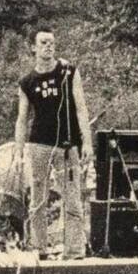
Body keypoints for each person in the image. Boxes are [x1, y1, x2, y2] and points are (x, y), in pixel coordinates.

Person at [12, 27, 93, 259]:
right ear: (34, 47)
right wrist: (18, 152)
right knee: (38, 197)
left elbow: (81, 109)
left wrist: (87, 142)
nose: (49, 46)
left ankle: (75, 251)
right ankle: (39, 248)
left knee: (72, 197)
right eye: (44, 42)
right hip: (39, 143)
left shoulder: (68, 72)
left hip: (67, 143)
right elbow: (21, 119)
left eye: (52, 42)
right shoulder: (27, 82)